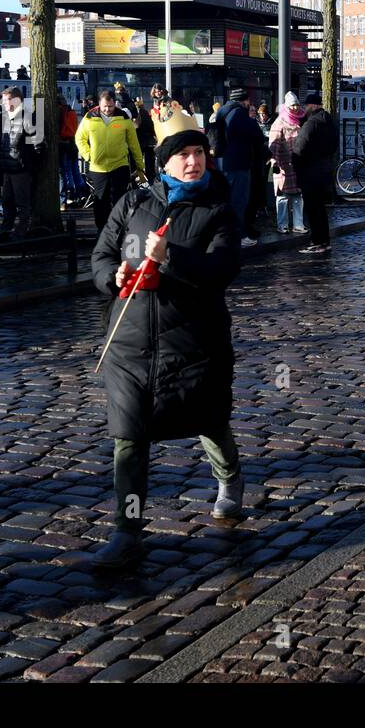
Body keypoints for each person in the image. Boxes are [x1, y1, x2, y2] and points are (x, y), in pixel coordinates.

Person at [89, 103, 244, 569]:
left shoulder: (218, 209)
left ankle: (229, 479)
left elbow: (223, 269)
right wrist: (110, 277)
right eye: (183, 155)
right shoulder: (133, 203)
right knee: (129, 436)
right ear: (165, 162)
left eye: (199, 153)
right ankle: (127, 530)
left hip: (193, 344)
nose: (193, 161)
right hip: (130, 343)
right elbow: (101, 255)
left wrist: (171, 255)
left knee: (209, 420)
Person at [76, 89, 143, 232]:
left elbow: (133, 143)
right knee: (101, 201)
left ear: (115, 103)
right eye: (104, 106)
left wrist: (139, 164)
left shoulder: (124, 118)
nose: (107, 109)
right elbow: (79, 138)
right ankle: (102, 230)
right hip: (98, 168)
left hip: (120, 165)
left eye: (111, 106)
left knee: (119, 200)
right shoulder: (89, 117)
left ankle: (119, 229)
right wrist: (88, 155)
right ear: (99, 104)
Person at [213, 88, 262, 247]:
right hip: (238, 164)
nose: (249, 104)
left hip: (223, 163)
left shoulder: (222, 112)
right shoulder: (239, 113)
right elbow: (256, 134)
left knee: (226, 201)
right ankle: (239, 236)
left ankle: (224, 234)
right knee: (239, 201)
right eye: (248, 101)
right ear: (243, 100)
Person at [0, 87, 44, 241]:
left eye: (6, 99)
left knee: (22, 204)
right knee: (7, 203)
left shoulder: (26, 118)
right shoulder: (6, 118)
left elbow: (38, 142)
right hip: (8, 167)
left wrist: (28, 159)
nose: (3, 102)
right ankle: (5, 231)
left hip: (20, 168)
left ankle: (20, 232)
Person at [292, 91, 338, 254]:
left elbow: (299, 149)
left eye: (306, 106)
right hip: (325, 171)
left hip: (310, 173)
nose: (304, 109)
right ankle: (324, 241)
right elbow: (334, 146)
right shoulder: (330, 122)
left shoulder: (311, 124)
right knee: (320, 209)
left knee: (312, 209)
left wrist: (296, 166)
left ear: (312, 106)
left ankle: (317, 242)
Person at [268, 92, 306, 234]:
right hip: (283, 165)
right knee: (282, 197)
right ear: (287, 106)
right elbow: (274, 144)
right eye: (292, 105)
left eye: (297, 104)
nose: (295, 108)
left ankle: (298, 224)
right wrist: (275, 163)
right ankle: (282, 224)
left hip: (297, 165)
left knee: (298, 197)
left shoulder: (299, 121)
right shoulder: (279, 123)